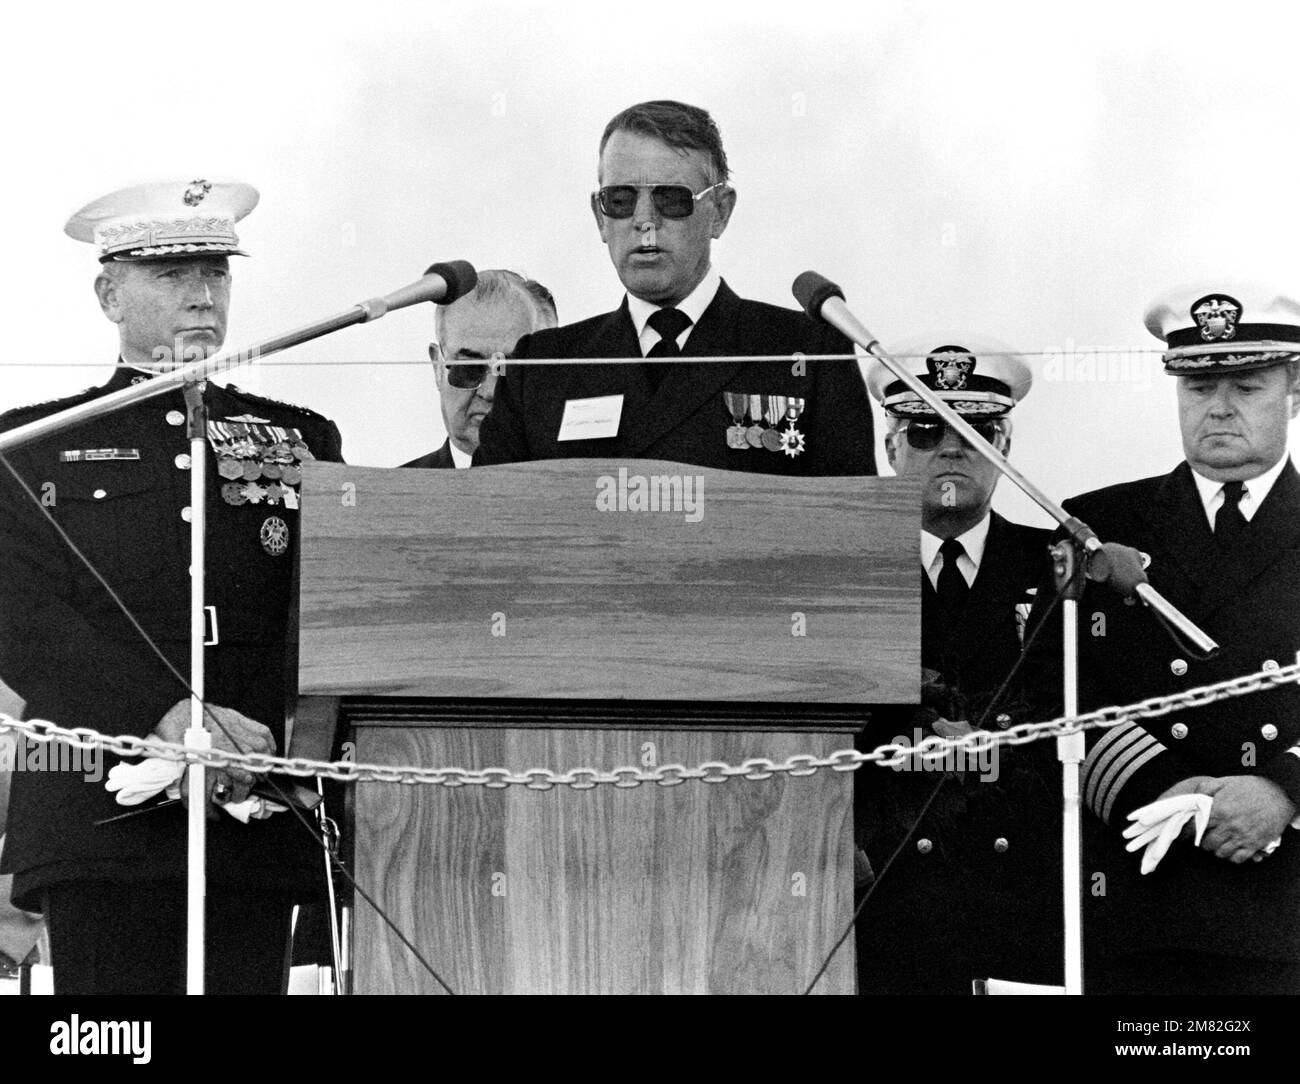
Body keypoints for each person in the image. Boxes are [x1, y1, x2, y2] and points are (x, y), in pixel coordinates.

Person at [0, 179, 344, 995]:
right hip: (101, 812)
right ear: (109, 293)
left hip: (251, 804)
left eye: (216, 273)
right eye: (170, 274)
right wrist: (167, 713)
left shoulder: (301, 439)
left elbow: (325, 613)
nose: (201, 294)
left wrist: (276, 746)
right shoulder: (31, 446)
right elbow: (23, 621)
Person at [1028, 283, 1300, 994]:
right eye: (1200, 385)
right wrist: (1168, 797)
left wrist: (1282, 791)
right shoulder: (1095, 527)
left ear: (1294, 388)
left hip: (1288, 897)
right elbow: (1052, 696)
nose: (1220, 406)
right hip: (1138, 891)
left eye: (1248, 384)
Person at [474, 99, 875, 475]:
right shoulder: (542, 369)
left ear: (719, 211)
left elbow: (852, 527)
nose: (644, 220)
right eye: (620, 200)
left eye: (670, 199)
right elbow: (485, 523)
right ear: (599, 218)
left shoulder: (807, 352)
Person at [854, 337, 1060, 993]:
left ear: (1004, 446)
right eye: (923, 430)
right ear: (891, 449)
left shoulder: (1058, 572)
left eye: (973, 430)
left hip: (1018, 911)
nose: (949, 447)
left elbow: (1079, 725)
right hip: (879, 909)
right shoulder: (846, 576)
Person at [402, 270, 557, 468]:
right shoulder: (385, 495)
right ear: (437, 368)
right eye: (469, 368)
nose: (490, 392)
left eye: (513, 370)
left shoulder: (588, 487)